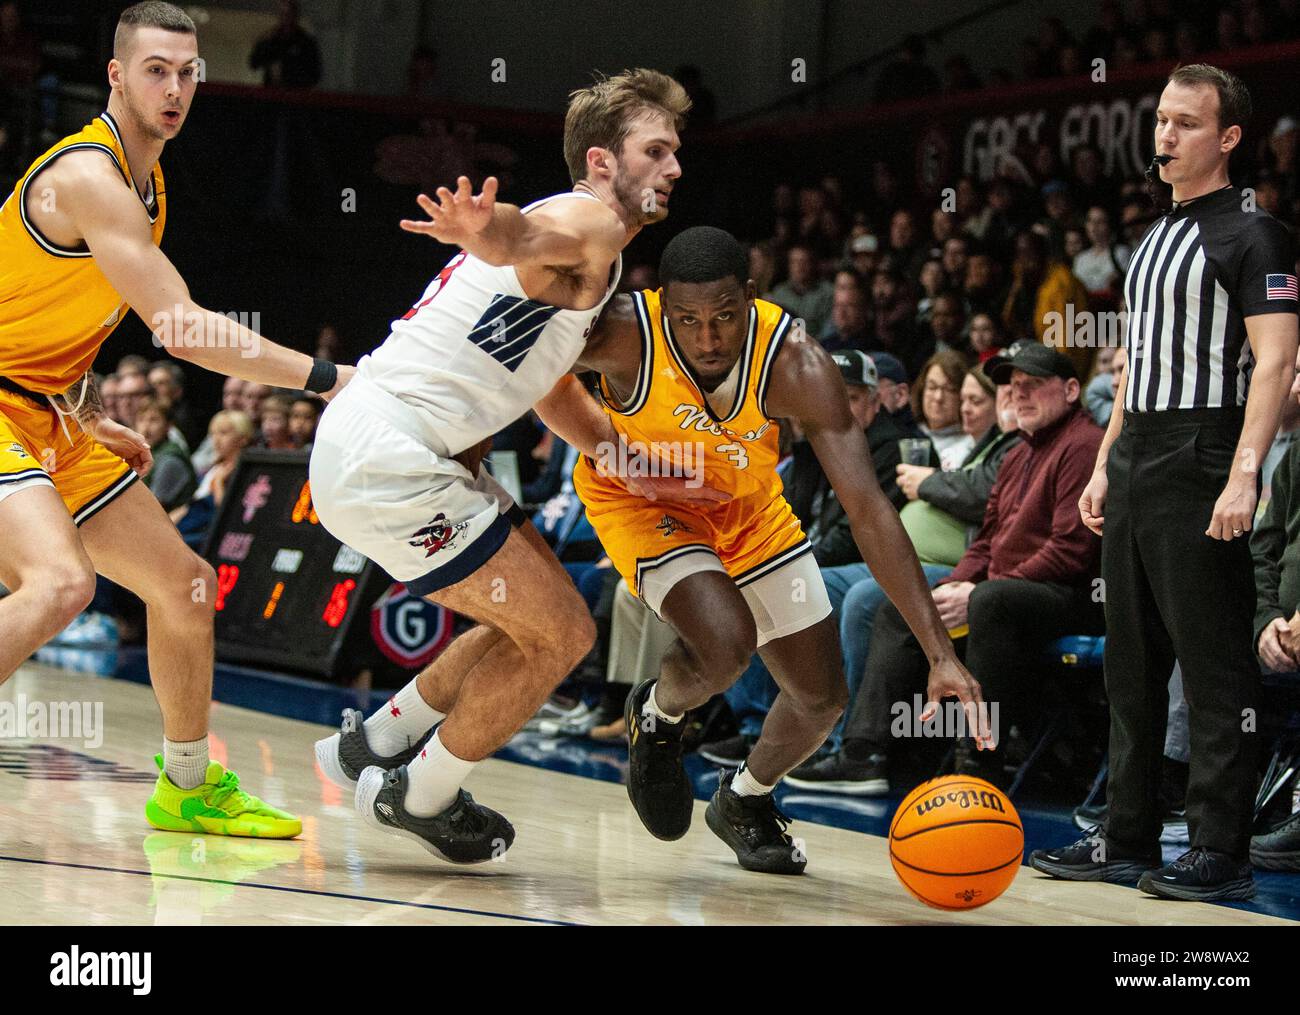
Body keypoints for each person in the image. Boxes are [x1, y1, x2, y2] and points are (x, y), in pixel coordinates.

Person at [310, 68, 698, 864]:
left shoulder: (589, 252)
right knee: (561, 634)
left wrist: (620, 455)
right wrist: (483, 229)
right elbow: (520, 236)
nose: (674, 168)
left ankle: (375, 745)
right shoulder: (588, 223)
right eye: (655, 150)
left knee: (529, 618)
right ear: (599, 161)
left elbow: (548, 381)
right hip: (394, 457)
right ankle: (419, 795)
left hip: (379, 446)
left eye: (676, 151)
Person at [0, 3, 351, 838]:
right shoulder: (89, 174)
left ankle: (188, 787)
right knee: (60, 583)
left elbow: (49, 314)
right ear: (117, 76)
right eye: (157, 69)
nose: (176, 88)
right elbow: (181, 328)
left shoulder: (146, 187)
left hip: (39, 407)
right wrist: (326, 377)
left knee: (187, 587)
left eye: (189, 72)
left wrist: (84, 414)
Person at [566, 226, 987, 873]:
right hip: (642, 500)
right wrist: (604, 446)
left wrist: (939, 653)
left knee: (822, 698)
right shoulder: (620, 333)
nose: (707, 340)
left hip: (745, 504)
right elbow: (527, 368)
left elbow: (870, 509)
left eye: (725, 318)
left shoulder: (796, 363)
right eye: (689, 321)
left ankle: (745, 798)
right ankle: (656, 716)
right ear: (660, 305)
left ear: (752, 297)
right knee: (726, 640)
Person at [1031, 64, 1300, 902]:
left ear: (1227, 138)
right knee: (1132, 663)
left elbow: (1277, 360)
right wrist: (1109, 459)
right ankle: (1125, 833)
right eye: (1160, 119)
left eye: (1187, 122)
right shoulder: (1152, 239)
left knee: (1212, 660)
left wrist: (1244, 471)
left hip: (1206, 448)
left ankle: (1219, 846)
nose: (1165, 134)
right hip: (1142, 446)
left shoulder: (1257, 234)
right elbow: (1138, 363)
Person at [791, 344, 1103, 793]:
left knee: (991, 603)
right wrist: (956, 584)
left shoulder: (1084, 445)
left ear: (1072, 390)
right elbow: (985, 541)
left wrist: (980, 588)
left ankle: (977, 761)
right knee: (906, 602)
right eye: (1014, 387)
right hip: (1013, 588)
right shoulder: (1018, 455)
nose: (1020, 395)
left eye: (1034, 385)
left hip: (1069, 593)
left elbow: (1069, 551)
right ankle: (868, 752)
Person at [135, 395, 196, 511]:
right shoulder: (144, 453)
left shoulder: (170, 459)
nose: (146, 428)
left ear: (168, 426)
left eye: (154, 420)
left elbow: (150, 510)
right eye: (141, 419)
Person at [914, 350, 973, 470]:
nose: (938, 397)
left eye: (949, 389)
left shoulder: (971, 445)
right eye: (932, 387)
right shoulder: (908, 435)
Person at [248, 0, 321, 89]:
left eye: (288, 15)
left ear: (295, 16)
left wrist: (287, 72)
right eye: (282, 14)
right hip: (272, 94)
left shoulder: (306, 42)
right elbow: (254, 63)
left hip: (295, 95)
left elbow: (314, 75)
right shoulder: (272, 39)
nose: (285, 19)